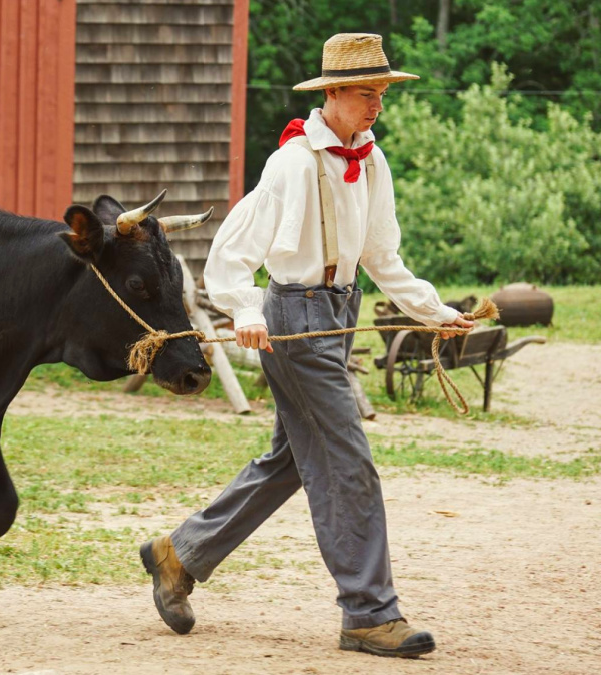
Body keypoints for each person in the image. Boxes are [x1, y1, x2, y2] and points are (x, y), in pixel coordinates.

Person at [139, 33, 475, 659]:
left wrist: (435, 311)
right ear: (334, 94)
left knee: (294, 460)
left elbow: (381, 258)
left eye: (383, 93)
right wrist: (245, 309)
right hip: (292, 318)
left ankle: (178, 554)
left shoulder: (373, 163)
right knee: (348, 461)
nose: (378, 104)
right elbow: (230, 254)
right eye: (368, 93)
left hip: (338, 315)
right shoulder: (292, 163)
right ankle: (370, 614)